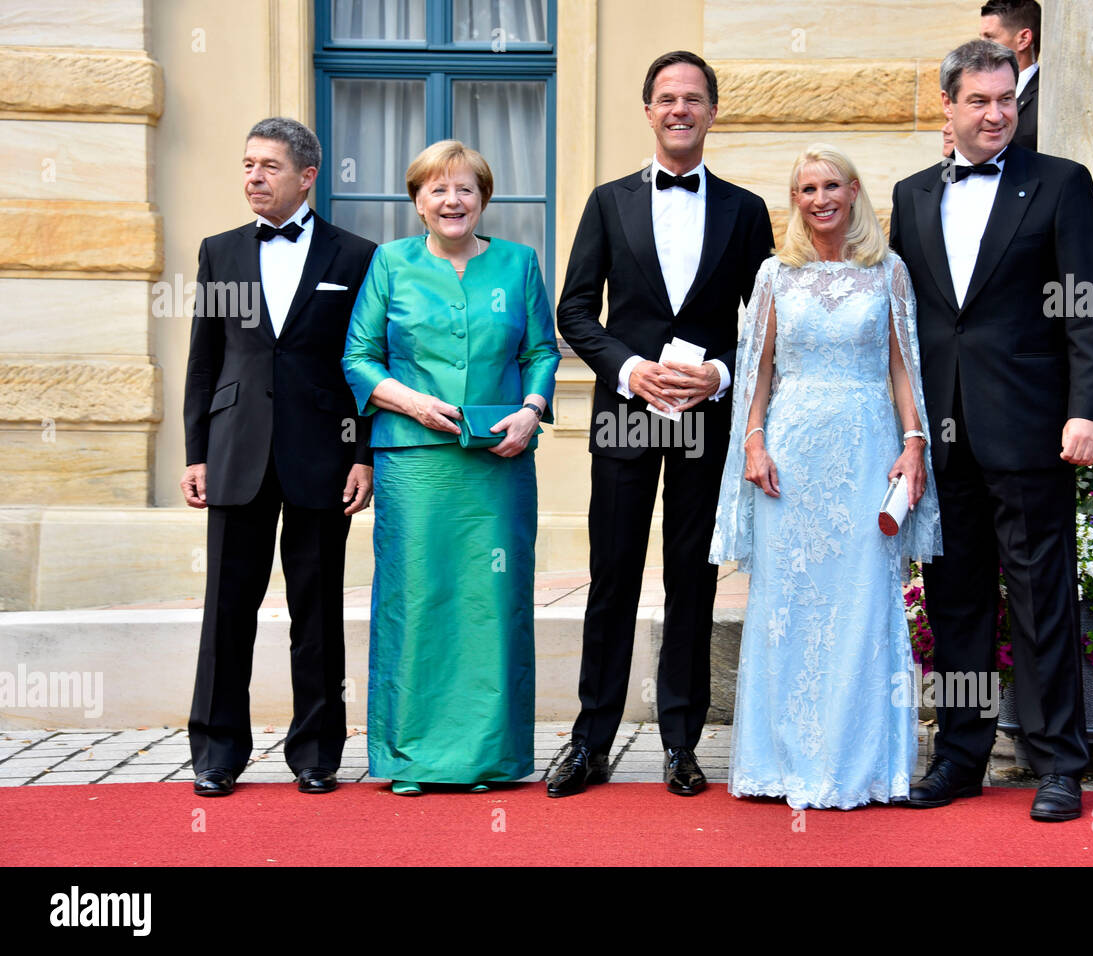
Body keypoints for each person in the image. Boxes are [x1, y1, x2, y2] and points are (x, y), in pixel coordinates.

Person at [888, 40, 1093, 822]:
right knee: (955, 604)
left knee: (1040, 599)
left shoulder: (1060, 184)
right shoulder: (910, 194)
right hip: (943, 437)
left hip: (1031, 430)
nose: (994, 114)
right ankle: (959, 756)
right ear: (947, 106)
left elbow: (1090, 304)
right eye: (979, 101)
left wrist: (1087, 409)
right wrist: (905, 431)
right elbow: (907, 323)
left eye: (1006, 100)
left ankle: (1058, 765)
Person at [549, 50, 773, 798]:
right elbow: (575, 309)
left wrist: (723, 375)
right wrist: (625, 369)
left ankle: (681, 743)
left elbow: (768, 323)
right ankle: (590, 742)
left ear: (713, 112)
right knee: (612, 577)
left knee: (693, 580)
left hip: (704, 420)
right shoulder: (608, 201)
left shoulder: (745, 211)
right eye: (667, 98)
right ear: (648, 111)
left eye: (694, 98)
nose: (680, 109)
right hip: (626, 417)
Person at [710, 145, 942, 810]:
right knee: (787, 608)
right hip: (791, 456)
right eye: (807, 188)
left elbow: (906, 368)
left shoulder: (888, 271)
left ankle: (861, 765)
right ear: (796, 200)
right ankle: (780, 765)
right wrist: (752, 441)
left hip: (869, 449)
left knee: (864, 602)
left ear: (854, 190)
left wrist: (916, 442)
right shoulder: (775, 274)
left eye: (831, 185)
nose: (820, 198)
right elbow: (758, 366)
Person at [342, 140, 559, 795]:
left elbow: (542, 350)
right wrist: (406, 400)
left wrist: (531, 410)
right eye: (437, 190)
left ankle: (487, 758)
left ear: (484, 199)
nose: (451, 201)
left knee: (491, 603)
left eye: (465, 189)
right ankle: (411, 759)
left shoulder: (519, 265)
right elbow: (359, 356)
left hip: (500, 461)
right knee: (417, 600)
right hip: (414, 463)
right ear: (417, 201)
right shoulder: (390, 264)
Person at [182, 117, 377, 797]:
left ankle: (318, 752)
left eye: (267, 165)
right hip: (235, 450)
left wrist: (363, 455)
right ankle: (216, 752)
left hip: (324, 453)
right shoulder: (221, 252)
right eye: (246, 165)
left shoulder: (356, 256)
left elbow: (365, 365)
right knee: (225, 610)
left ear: (307, 175)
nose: (253, 177)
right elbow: (204, 360)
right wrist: (196, 453)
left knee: (317, 610)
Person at [979, 0, 1040, 151]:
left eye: (990, 37)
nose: (980, 47)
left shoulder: (1047, 97)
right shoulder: (974, 94)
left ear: (1024, 39)